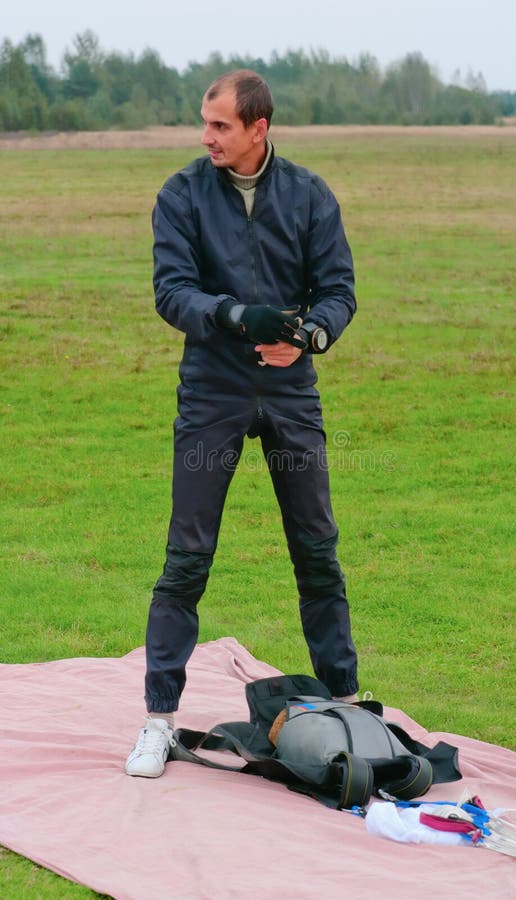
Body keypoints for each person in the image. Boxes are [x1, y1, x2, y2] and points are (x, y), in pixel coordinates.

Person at [125, 69, 359, 777]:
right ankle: (158, 723)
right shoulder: (181, 194)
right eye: (205, 123)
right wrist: (232, 316)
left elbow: (338, 290)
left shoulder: (310, 195)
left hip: (290, 394)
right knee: (186, 558)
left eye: (221, 125)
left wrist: (308, 337)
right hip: (213, 391)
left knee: (316, 549)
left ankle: (346, 704)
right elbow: (172, 292)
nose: (207, 137)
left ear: (258, 128)